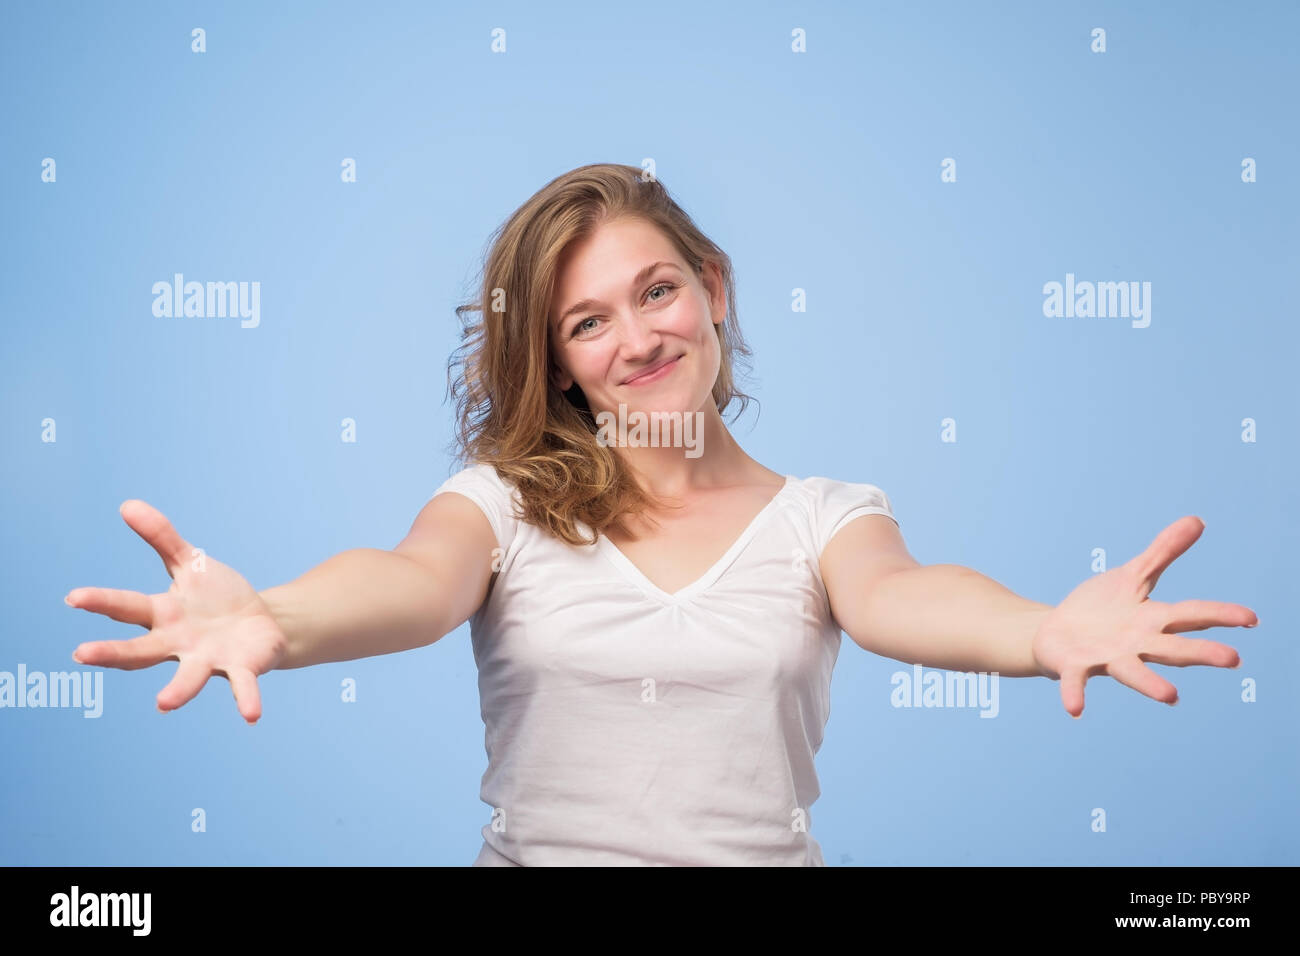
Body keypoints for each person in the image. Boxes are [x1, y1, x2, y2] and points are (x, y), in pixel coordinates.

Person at [64, 163, 1258, 867]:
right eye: (588, 322)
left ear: (714, 289)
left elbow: (900, 597)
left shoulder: (825, 515)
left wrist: (1040, 627)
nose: (635, 338)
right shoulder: (500, 505)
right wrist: (274, 613)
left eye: (657, 289)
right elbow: (409, 580)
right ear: (561, 360)